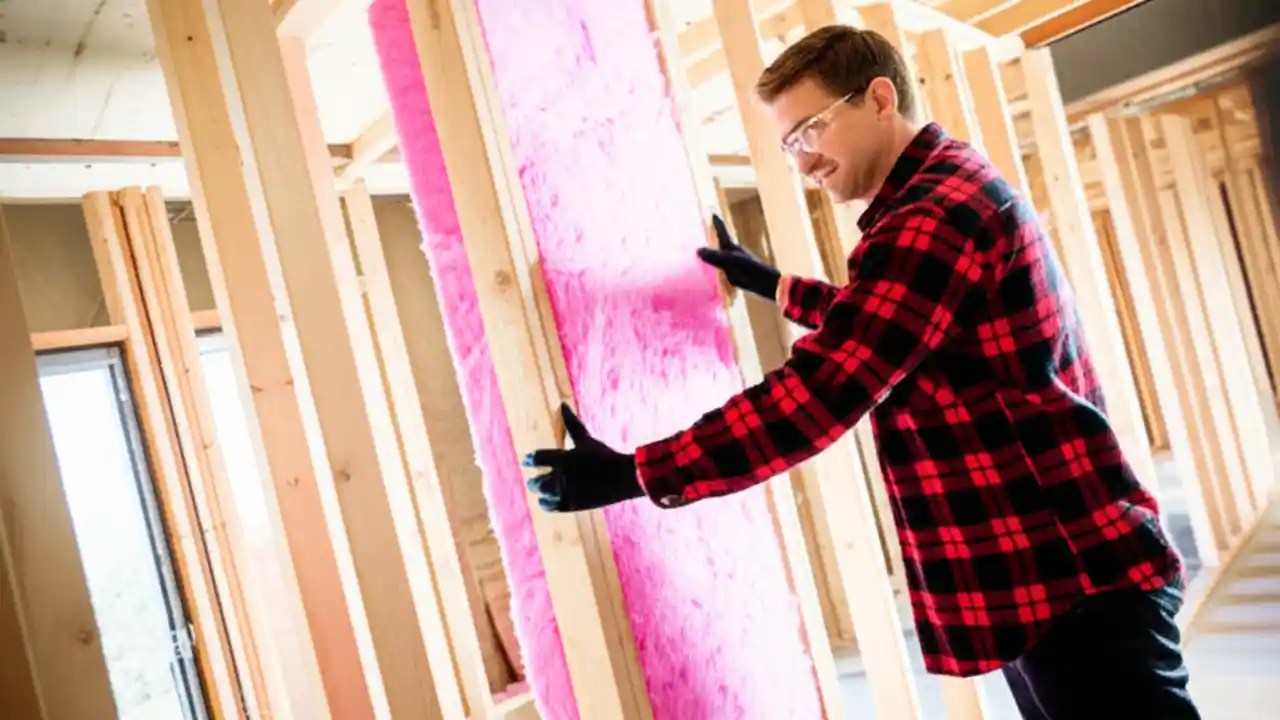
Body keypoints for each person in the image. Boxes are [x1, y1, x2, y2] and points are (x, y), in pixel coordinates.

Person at [522, 24, 1200, 719]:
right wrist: (774, 285)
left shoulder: (933, 216)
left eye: (811, 129)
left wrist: (639, 472)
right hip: (1048, 572)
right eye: (790, 143)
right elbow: (897, 325)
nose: (803, 160)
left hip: (1068, 577)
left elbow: (821, 393)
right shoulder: (937, 197)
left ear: (880, 98)